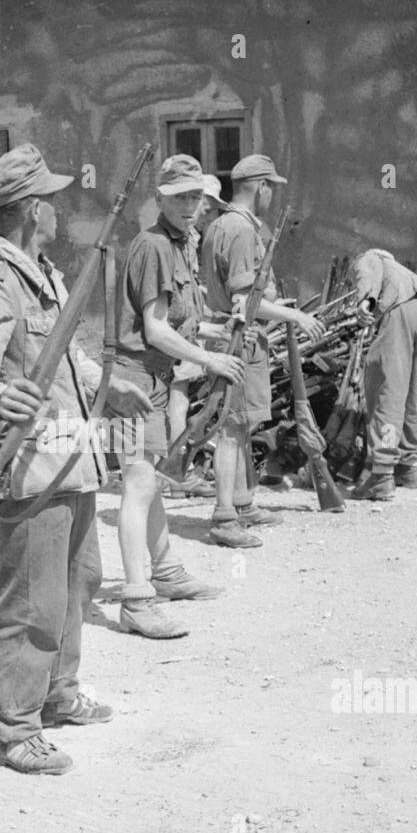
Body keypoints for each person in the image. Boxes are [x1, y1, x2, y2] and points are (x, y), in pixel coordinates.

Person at [0, 144, 152, 774]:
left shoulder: (45, 274)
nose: (60, 210)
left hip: (70, 458)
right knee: (32, 598)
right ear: (33, 210)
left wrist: (103, 380)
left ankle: (57, 694)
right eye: (52, 201)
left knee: (78, 581)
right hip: (30, 466)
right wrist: (1, 396)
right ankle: (15, 725)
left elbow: (58, 352)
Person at [112, 153, 245, 639]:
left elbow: (182, 322)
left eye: (196, 197)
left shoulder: (180, 244)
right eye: (180, 197)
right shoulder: (153, 248)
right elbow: (154, 328)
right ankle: (135, 597)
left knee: (147, 485)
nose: (191, 206)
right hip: (133, 381)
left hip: (155, 376)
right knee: (138, 485)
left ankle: (165, 571)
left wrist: (218, 329)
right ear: (160, 200)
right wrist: (209, 359)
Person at [200, 154, 325, 547]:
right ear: (260, 187)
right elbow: (243, 300)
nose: (272, 194)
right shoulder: (241, 231)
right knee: (230, 429)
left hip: (234, 336)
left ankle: (242, 502)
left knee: (238, 424)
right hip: (239, 338)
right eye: (271, 186)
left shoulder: (223, 225)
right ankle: (224, 516)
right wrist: (296, 317)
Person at [344, 246, 417, 500]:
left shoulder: (369, 259)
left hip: (403, 315)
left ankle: (381, 474)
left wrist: (363, 304)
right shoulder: (405, 275)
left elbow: (366, 279)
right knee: (408, 391)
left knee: (386, 391)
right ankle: (409, 465)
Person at [162, 173, 223, 496]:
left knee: (179, 399)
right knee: (177, 400)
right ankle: (174, 472)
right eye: (205, 207)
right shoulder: (174, 240)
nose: (205, 213)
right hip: (175, 332)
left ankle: (175, 470)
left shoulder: (191, 239)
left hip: (189, 328)